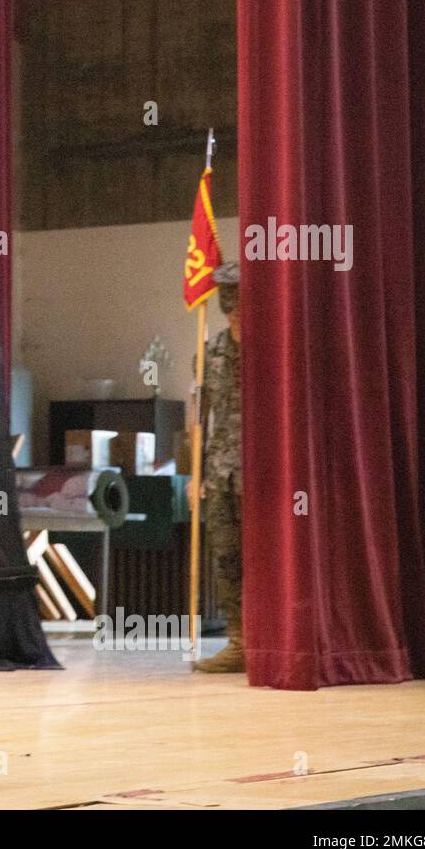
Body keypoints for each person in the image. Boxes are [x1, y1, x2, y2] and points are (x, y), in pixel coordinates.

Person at [190, 260, 243, 673]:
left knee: (266, 559)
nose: (235, 315)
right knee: (225, 558)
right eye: (230, 308)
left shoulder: (277, 352)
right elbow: (198, 421)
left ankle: (271, 638)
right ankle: (238, 640)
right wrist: (195, 477)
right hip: (220, 474)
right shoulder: (209, 355)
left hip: (264, 477)